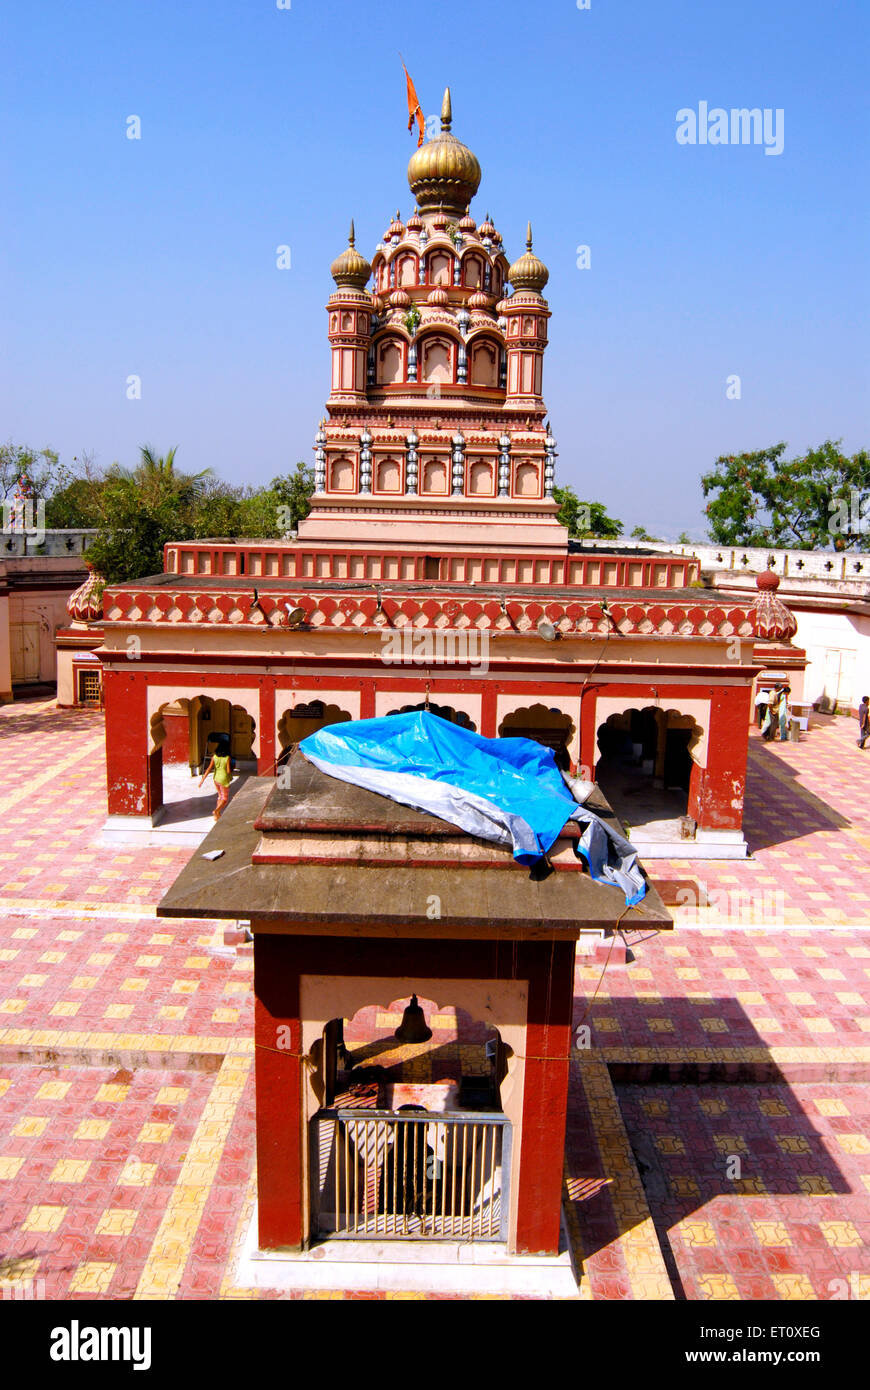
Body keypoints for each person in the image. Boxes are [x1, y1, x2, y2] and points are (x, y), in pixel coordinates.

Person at [199, 743, 233, 818]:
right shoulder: (227, 758)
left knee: (219, 796)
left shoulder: (214, 757)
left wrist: (202, 780)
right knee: (225, 798)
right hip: (224, 779)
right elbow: (228, 771)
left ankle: (217, 815)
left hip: (216, 779)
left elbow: (208, 769)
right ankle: (216, 810)